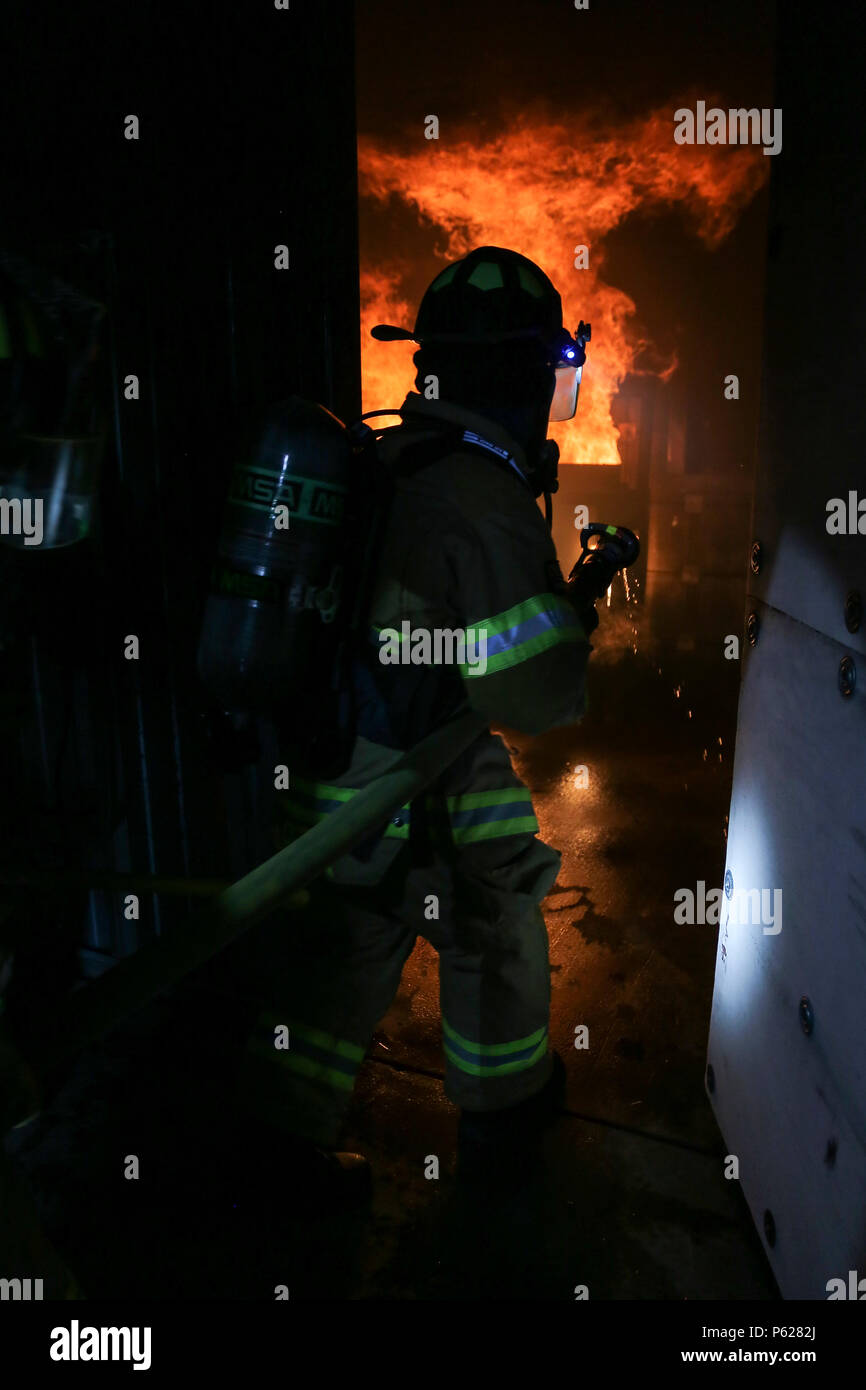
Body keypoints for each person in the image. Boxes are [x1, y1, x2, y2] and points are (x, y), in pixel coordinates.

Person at [235, 246, 601, 1190]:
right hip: (408, 773)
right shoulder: (484, 494)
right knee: (500, 905)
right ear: (522, 379)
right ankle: (505, 1122)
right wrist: (566, 627)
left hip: (326, 764)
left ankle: (279, 1135)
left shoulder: (387, 454)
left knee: (345, 938)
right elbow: (530, 691)